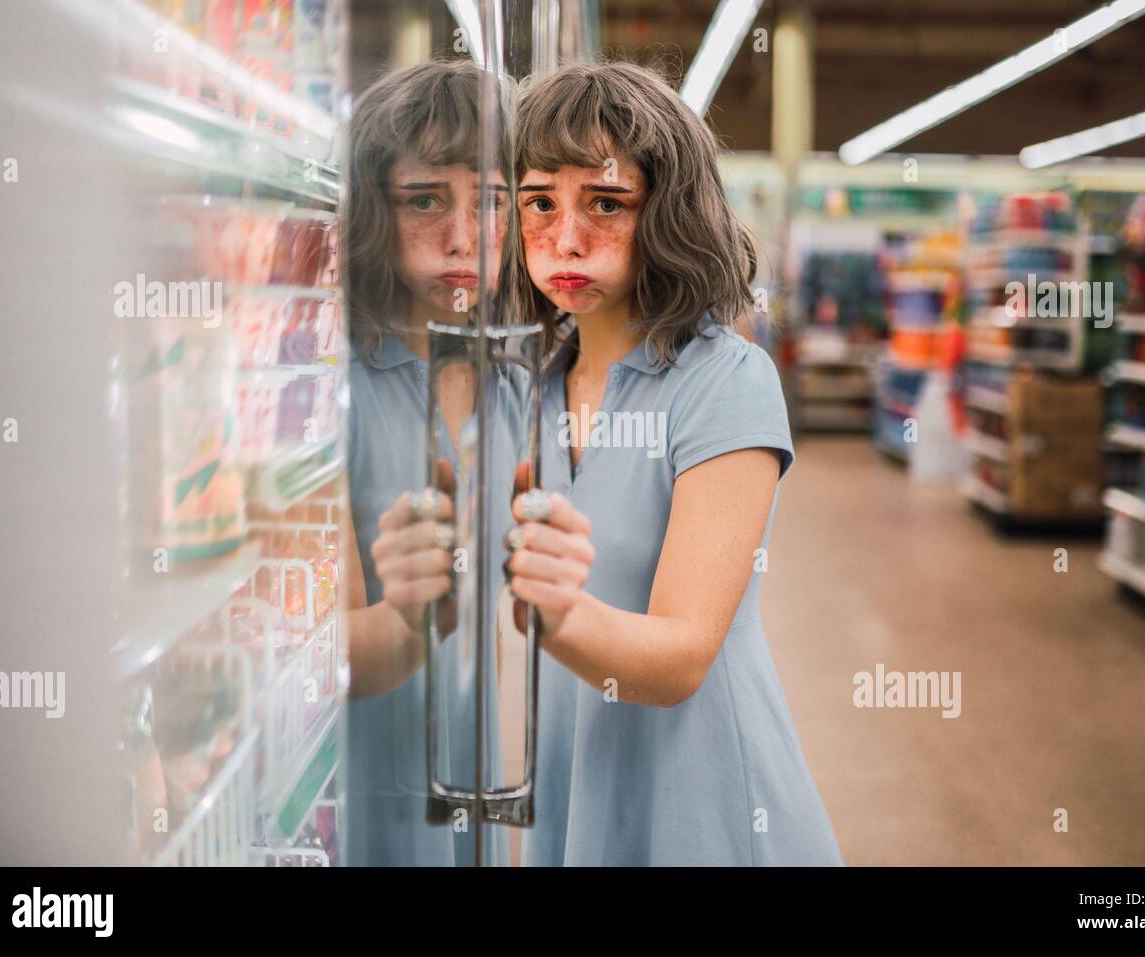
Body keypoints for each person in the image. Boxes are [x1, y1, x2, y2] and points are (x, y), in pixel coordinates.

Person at [497, 60, 846, 865]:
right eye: (539, 201)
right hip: (577, 764)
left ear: (667, 214)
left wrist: (552, 607)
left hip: (701, 786)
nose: (566, 239)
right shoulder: (533, 388)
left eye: (607, 202)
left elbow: (685, 651)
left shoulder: (726, 381)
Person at [342, 59, 515, 866]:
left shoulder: (521, 381)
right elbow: (323, 654)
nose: (461, 236)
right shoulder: (332, 390)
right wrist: (409, 616)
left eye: (489, 200)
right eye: (424, 200)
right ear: (374, 211)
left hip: (475, 781)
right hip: (366, 794)